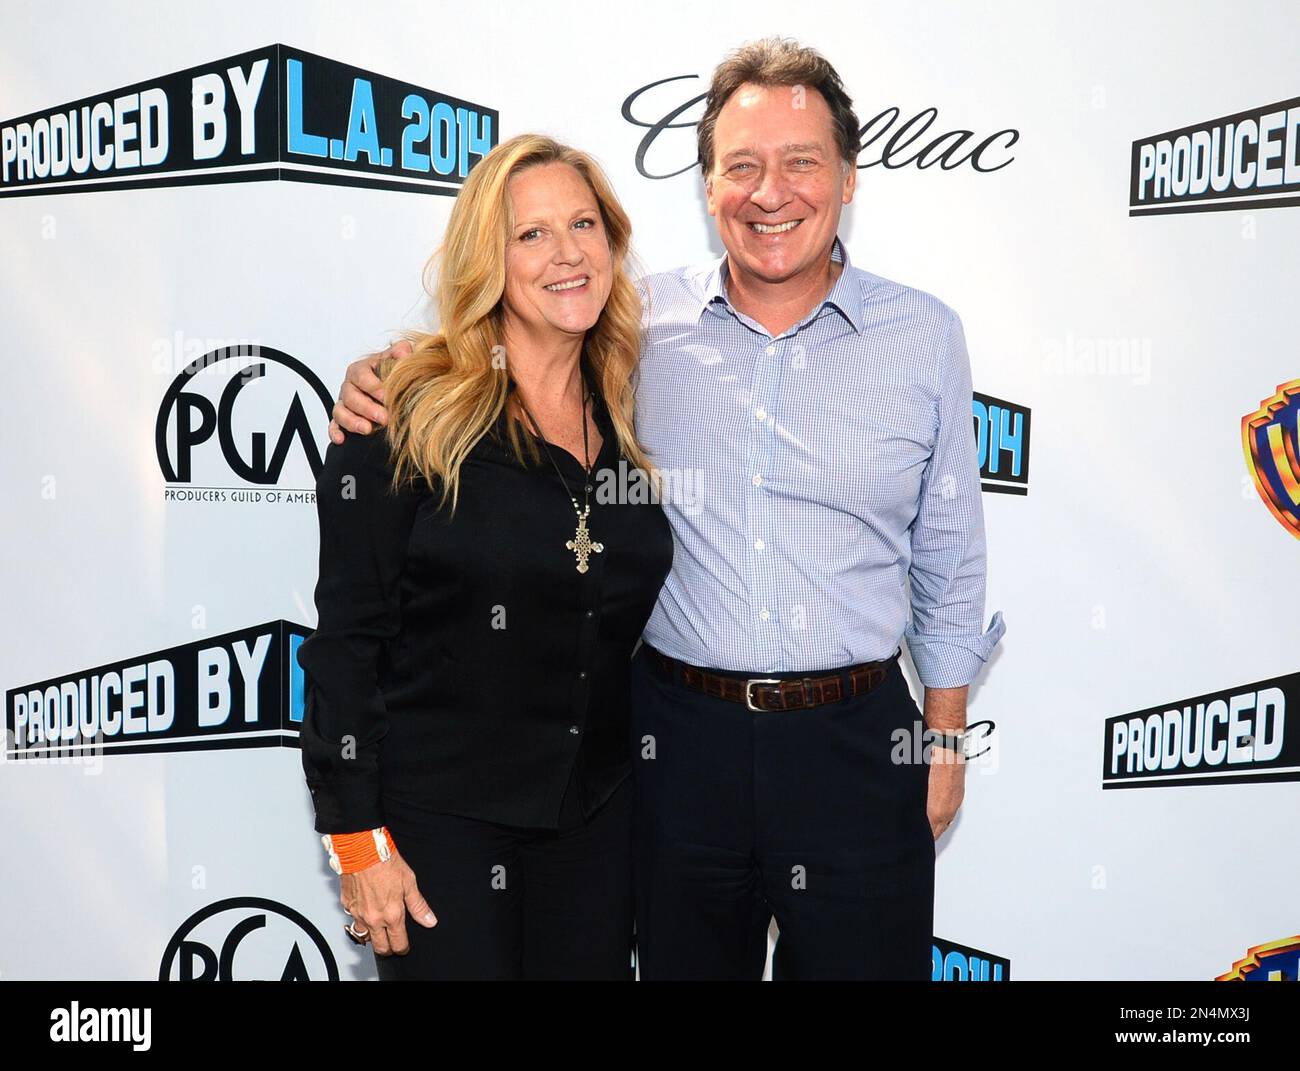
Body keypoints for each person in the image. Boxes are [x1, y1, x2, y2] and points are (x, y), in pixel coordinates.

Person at [329, 37, 1005, 980]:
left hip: (854, 744)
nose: (771, 192)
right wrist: (395, 373)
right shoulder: (636, 328)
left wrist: (943, 736)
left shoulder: (924, 336)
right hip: (676, 748)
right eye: (742, 167)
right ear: (707, 186)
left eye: (801, 162)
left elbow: (950, 558)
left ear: (849, 178)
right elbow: (515, 338)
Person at [296, 132, 673, 980]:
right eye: (531, 233)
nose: (567, 253)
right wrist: (358, 842)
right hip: (443, 831)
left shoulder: (631, 404)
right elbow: (346, 641)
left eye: (584, 224)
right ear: (487, 259)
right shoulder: (406, 419)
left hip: (596, 826)